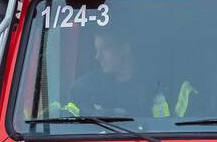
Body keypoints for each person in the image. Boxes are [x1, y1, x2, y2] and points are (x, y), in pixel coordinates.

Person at [69, 27, 197, 120]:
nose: (97, 57)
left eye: (105, 49)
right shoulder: (87, 88)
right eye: (97, 50)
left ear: (125, 48)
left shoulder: (160, 86)